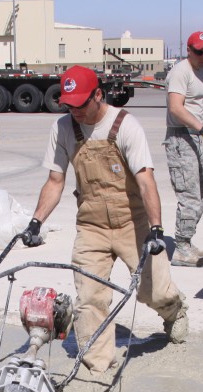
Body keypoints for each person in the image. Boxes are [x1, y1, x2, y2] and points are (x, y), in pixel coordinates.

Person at [19, 65, 188, 373]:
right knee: (90, 299)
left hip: (132, 222)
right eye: (69, 105)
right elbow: (55, 181)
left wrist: (156, 229)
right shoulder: (64, 128)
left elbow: (145, 179)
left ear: (98, 95)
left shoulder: (125, 125)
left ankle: (174, 310)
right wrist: (35, 222)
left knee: (154, 291)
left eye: (81, 104)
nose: (75, 111)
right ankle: (96, 366)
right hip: (91, 226)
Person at [164, 30, 203, 267]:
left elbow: (195, 104)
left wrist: (202, 133)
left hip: (197, 137)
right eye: (199, 51)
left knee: (202, 192)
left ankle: (186, 240)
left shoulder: (200, 70)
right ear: (188, 50)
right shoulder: (181, 72)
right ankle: (181, 248)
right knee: (189, 195)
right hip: (181, 138)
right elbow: (176, 108)